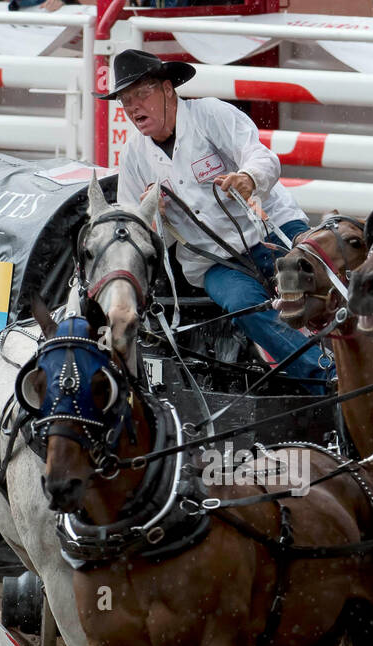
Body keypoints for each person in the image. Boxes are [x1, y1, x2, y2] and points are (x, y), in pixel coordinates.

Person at [102, 49, 332, 391]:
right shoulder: (135, 155)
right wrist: (153, 220)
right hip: (212, 262)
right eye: (126, 100)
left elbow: (260, 156)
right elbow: (135, 234)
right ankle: (325, 379)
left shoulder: (209, 114)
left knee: (313, 273)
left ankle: (366, 351)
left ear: (168, 89)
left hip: (273, 228)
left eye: (141, 94)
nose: (134, 107)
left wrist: (248, 178)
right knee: (244, 305)